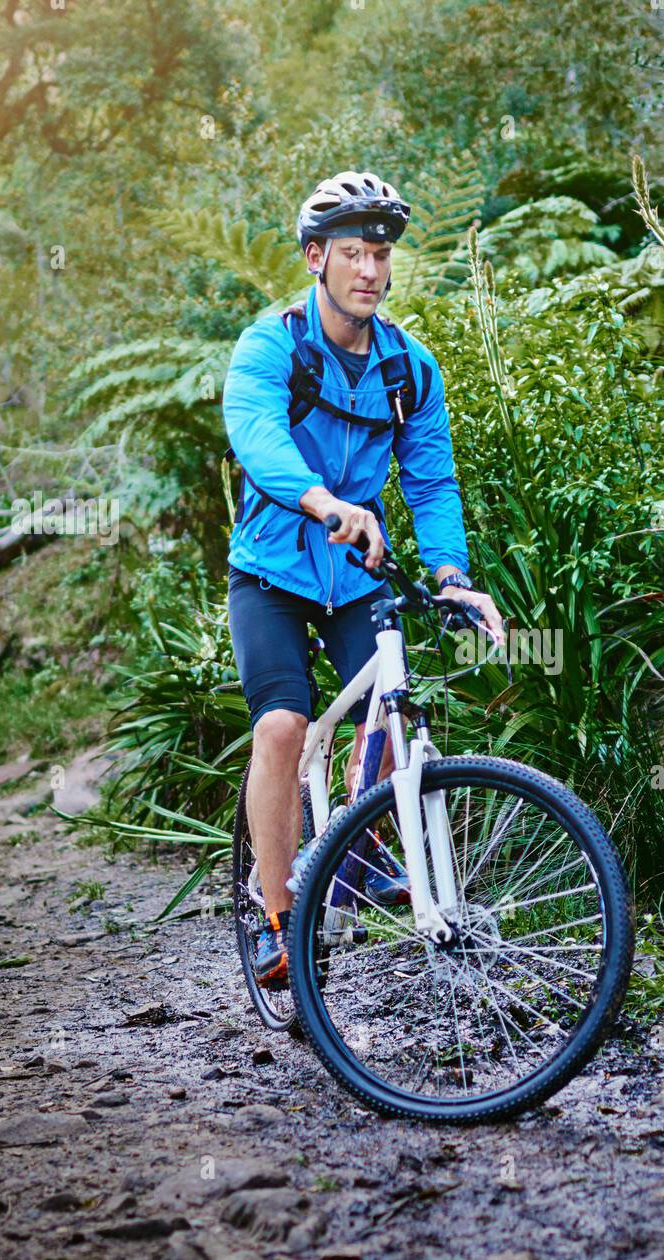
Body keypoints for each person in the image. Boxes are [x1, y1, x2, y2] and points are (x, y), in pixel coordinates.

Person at [223, 169, 505, 988]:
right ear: (316, 258)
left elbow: (430, 480)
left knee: (389, 711)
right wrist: (325, 502)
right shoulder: (270, 344)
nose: (370, 271)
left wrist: (451, 573)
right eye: (352, 252)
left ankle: (349, 857)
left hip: (356, 574)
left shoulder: (409, 369)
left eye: (380, 254)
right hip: (271, 571)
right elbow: (256, 438)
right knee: (282, 725)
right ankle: (278, 916)